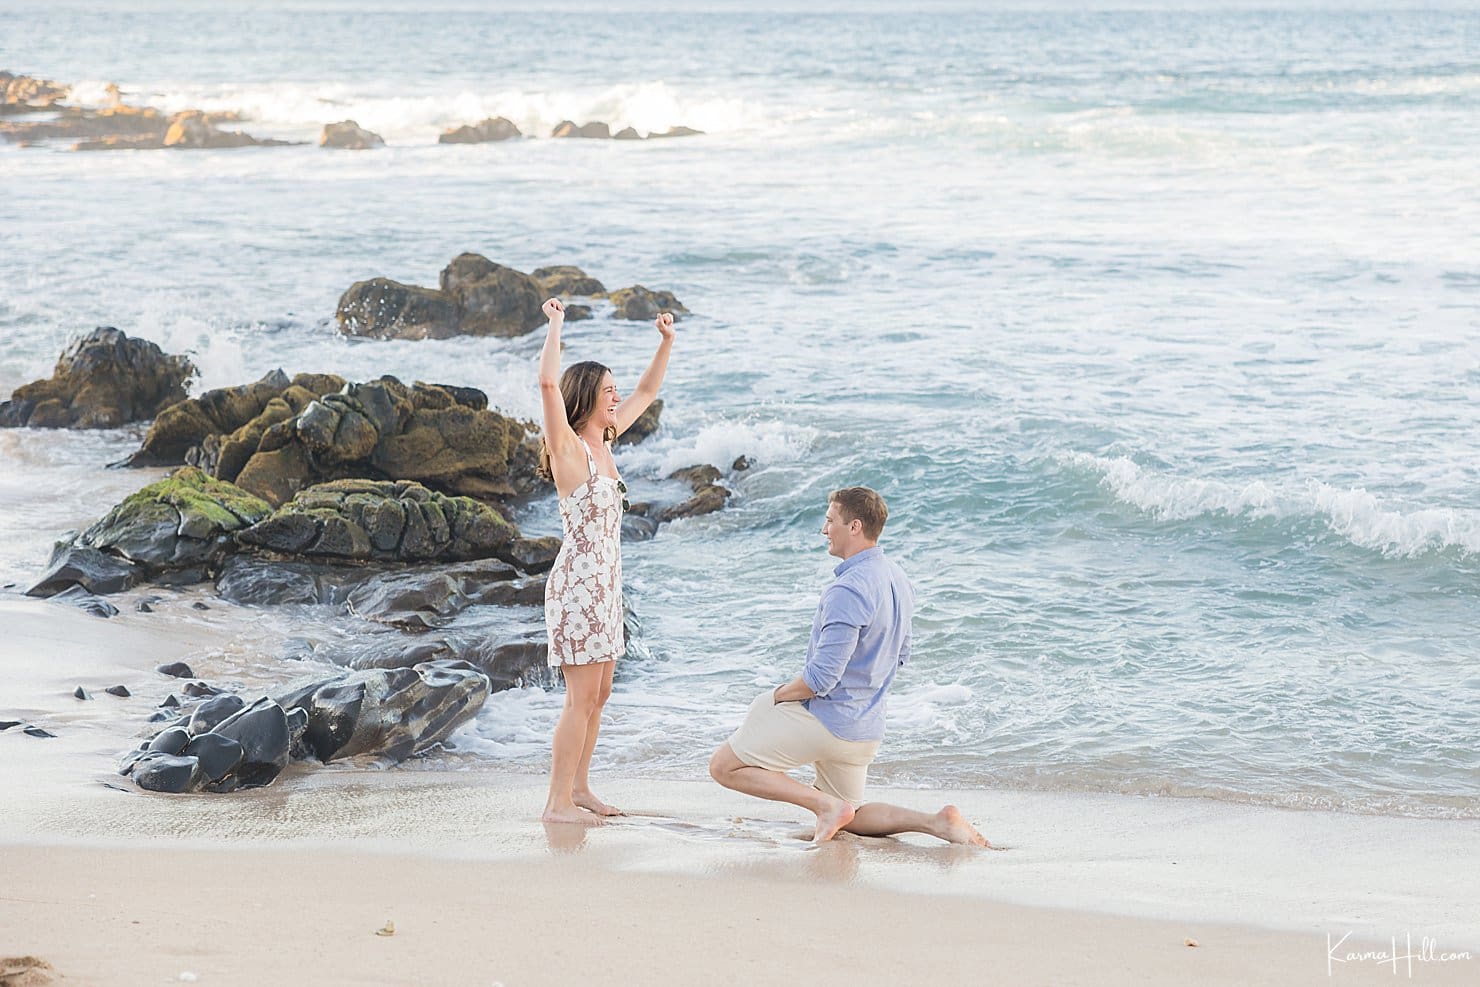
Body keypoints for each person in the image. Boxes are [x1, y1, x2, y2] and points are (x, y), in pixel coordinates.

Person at [709, 487, 990, 845]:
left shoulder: (848, 589)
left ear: (854, 526)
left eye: (830, 521)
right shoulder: (899, 579)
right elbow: (900, 655)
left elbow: (821, 679)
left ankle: (822, 806)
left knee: (723, 766)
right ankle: (938, 823)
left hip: (827, 721)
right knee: (853, 815)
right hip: (865, 730)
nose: (824, 530)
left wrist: (776, 696)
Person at [538, 296, 675, 824]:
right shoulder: (569, 451)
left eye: (615, 390)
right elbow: (548, 385)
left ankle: (580, 788)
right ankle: (556, 803)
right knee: (579, 698)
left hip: (606, 587)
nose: (617, 397)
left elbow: (647, 391)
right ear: (587, 399)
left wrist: (666, 343)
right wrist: (556, 325)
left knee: (600, 693)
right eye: (607, 391)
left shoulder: (607, 441)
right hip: (576, 585)